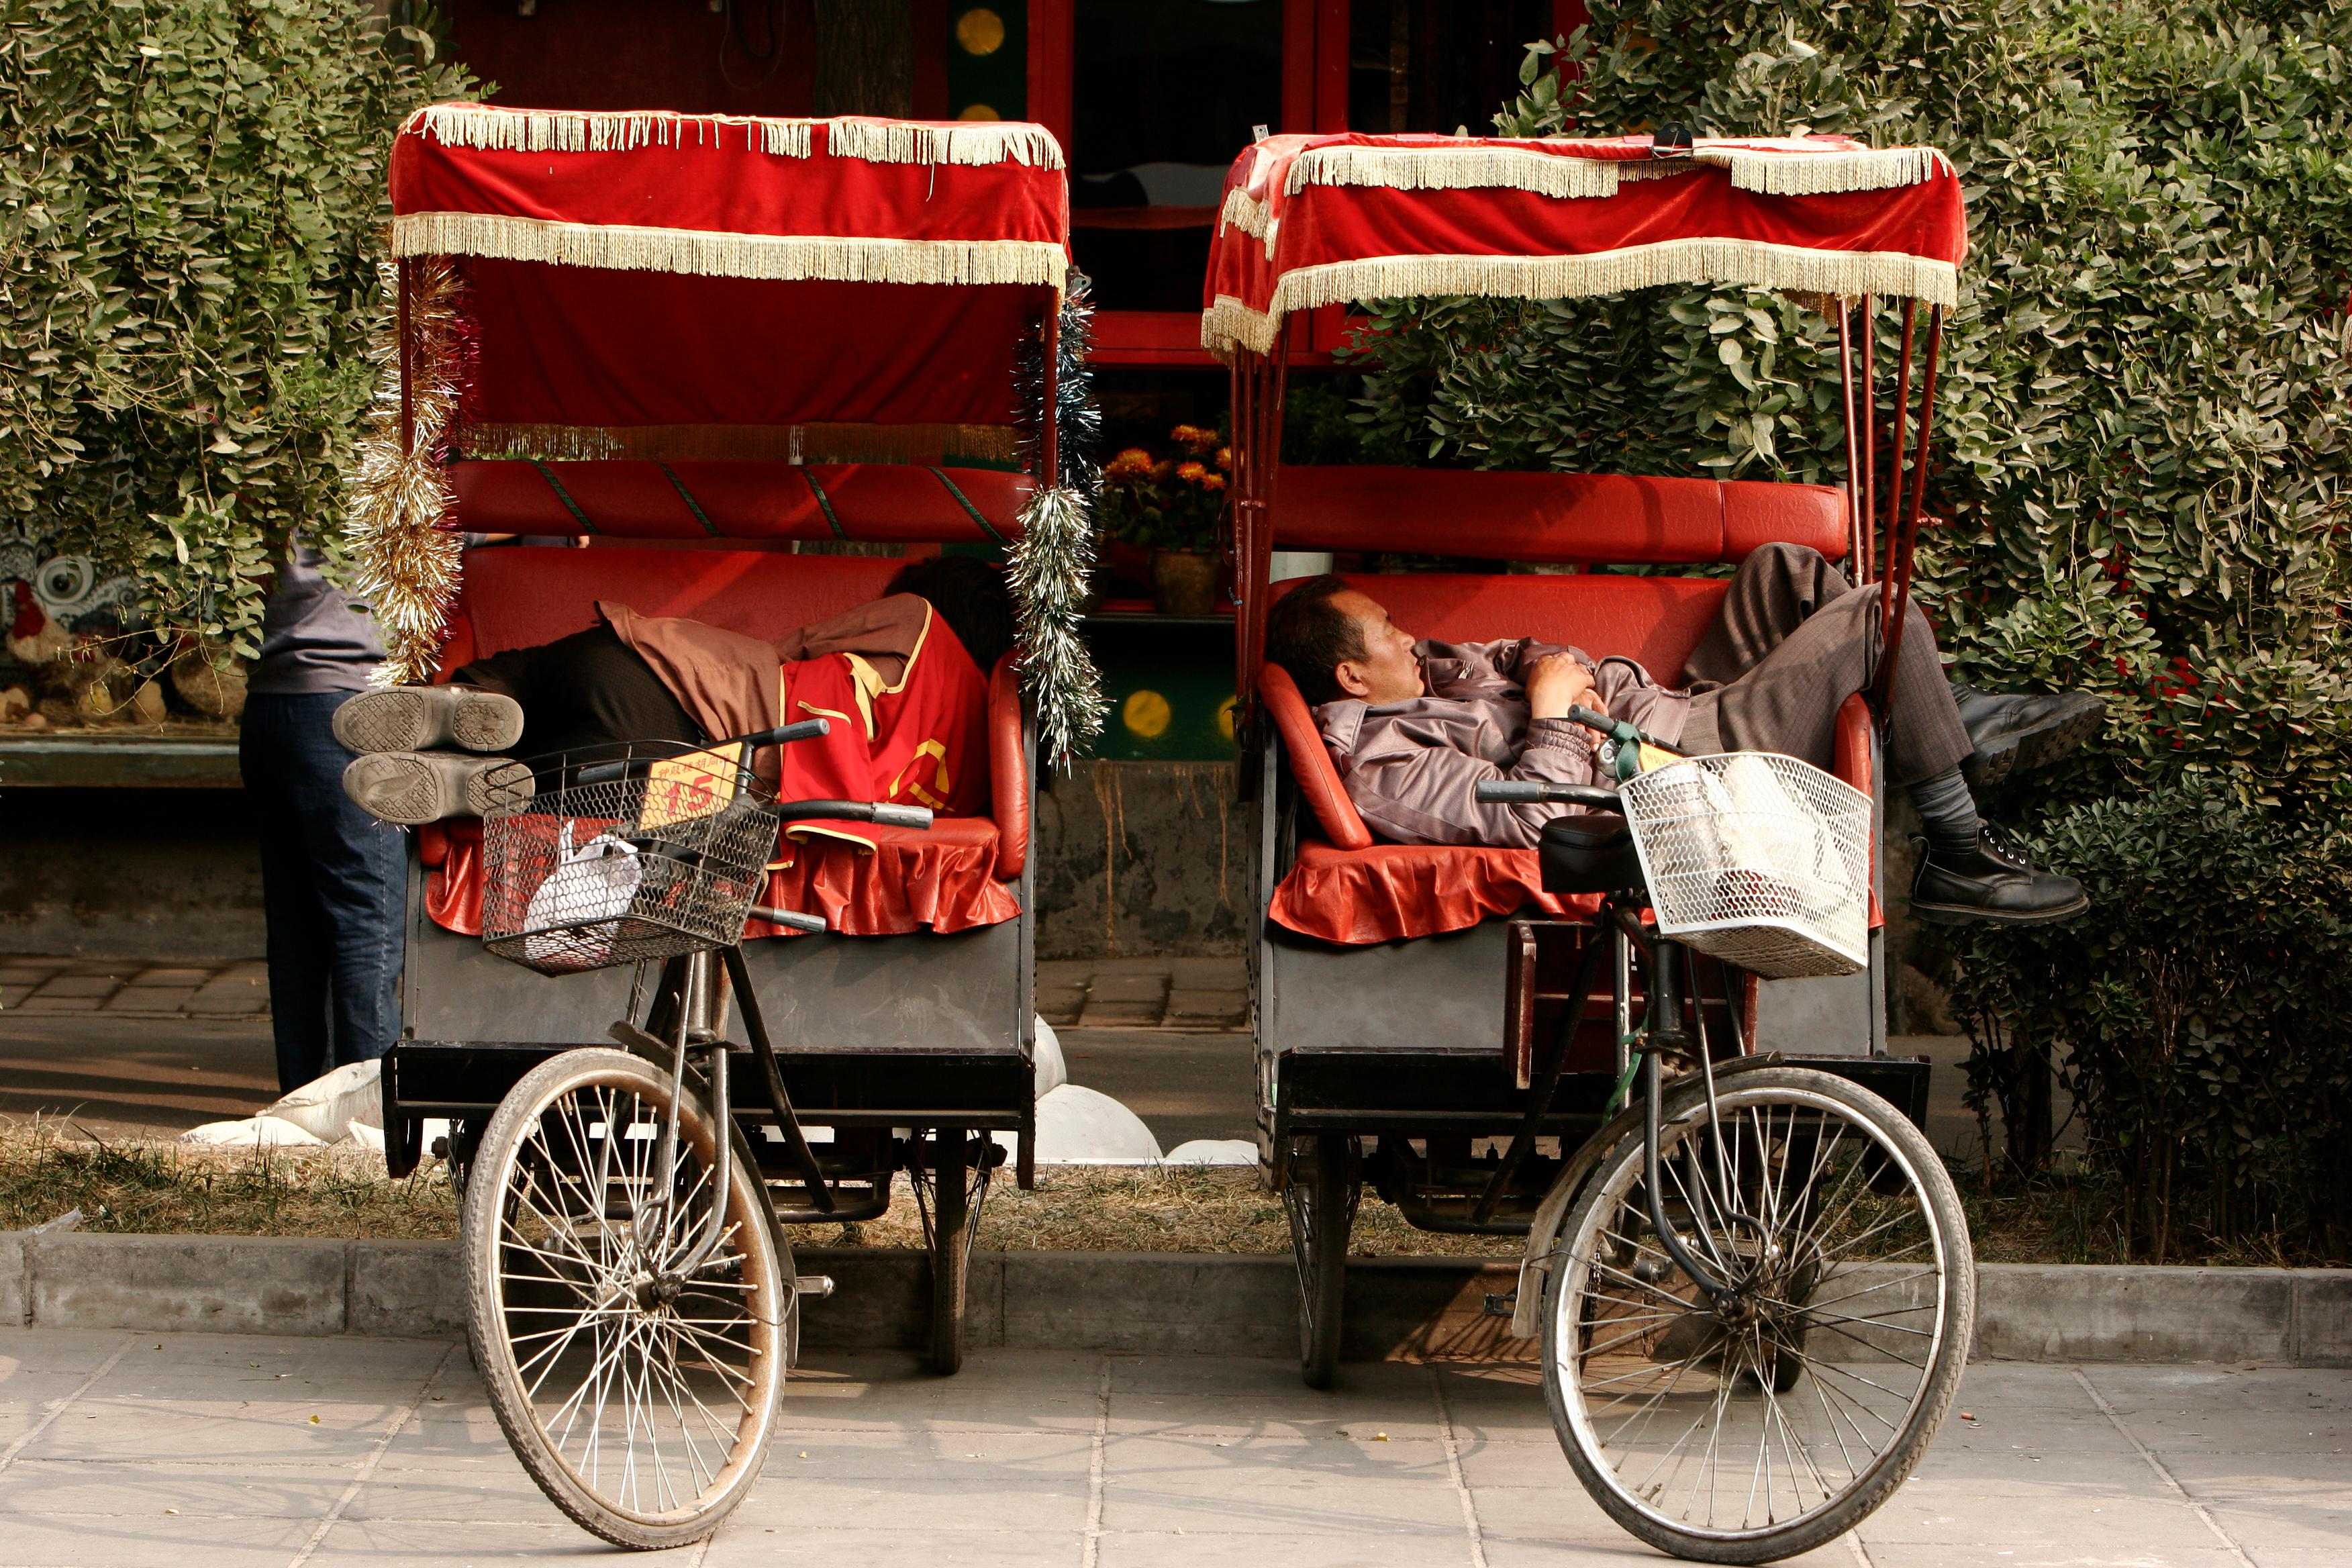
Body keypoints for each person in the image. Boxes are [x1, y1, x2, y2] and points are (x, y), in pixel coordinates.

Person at [1264, 544, 2105, 924]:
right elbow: (1532, 820)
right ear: (1348, 678)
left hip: (1664, 700)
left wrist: (1549, 668)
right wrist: (1553, 710)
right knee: (1876, 611)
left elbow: (1519, 652)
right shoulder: (1382, 762)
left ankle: (1941, 720)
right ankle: (1957, 847)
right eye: (1387, 630)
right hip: (1685, 757)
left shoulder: (1428, 675)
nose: (1410, 637)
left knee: (1786, 567)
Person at [335, 554, 1015, 826]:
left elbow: (797, 648)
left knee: (539, 677)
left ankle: (463, 701)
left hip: (657, 675)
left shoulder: (916, 619)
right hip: (702, 784)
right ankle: (493, 786)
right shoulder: (981, 768)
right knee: (568, 781)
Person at [240, 544, 405, 1093]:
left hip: (268, 707)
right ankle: (368, 1110)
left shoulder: (271, 466)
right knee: (368, 920)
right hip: (348, 710)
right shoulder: (385, 466)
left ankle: (301, 1097)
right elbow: (461, 517)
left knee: (295, 926)